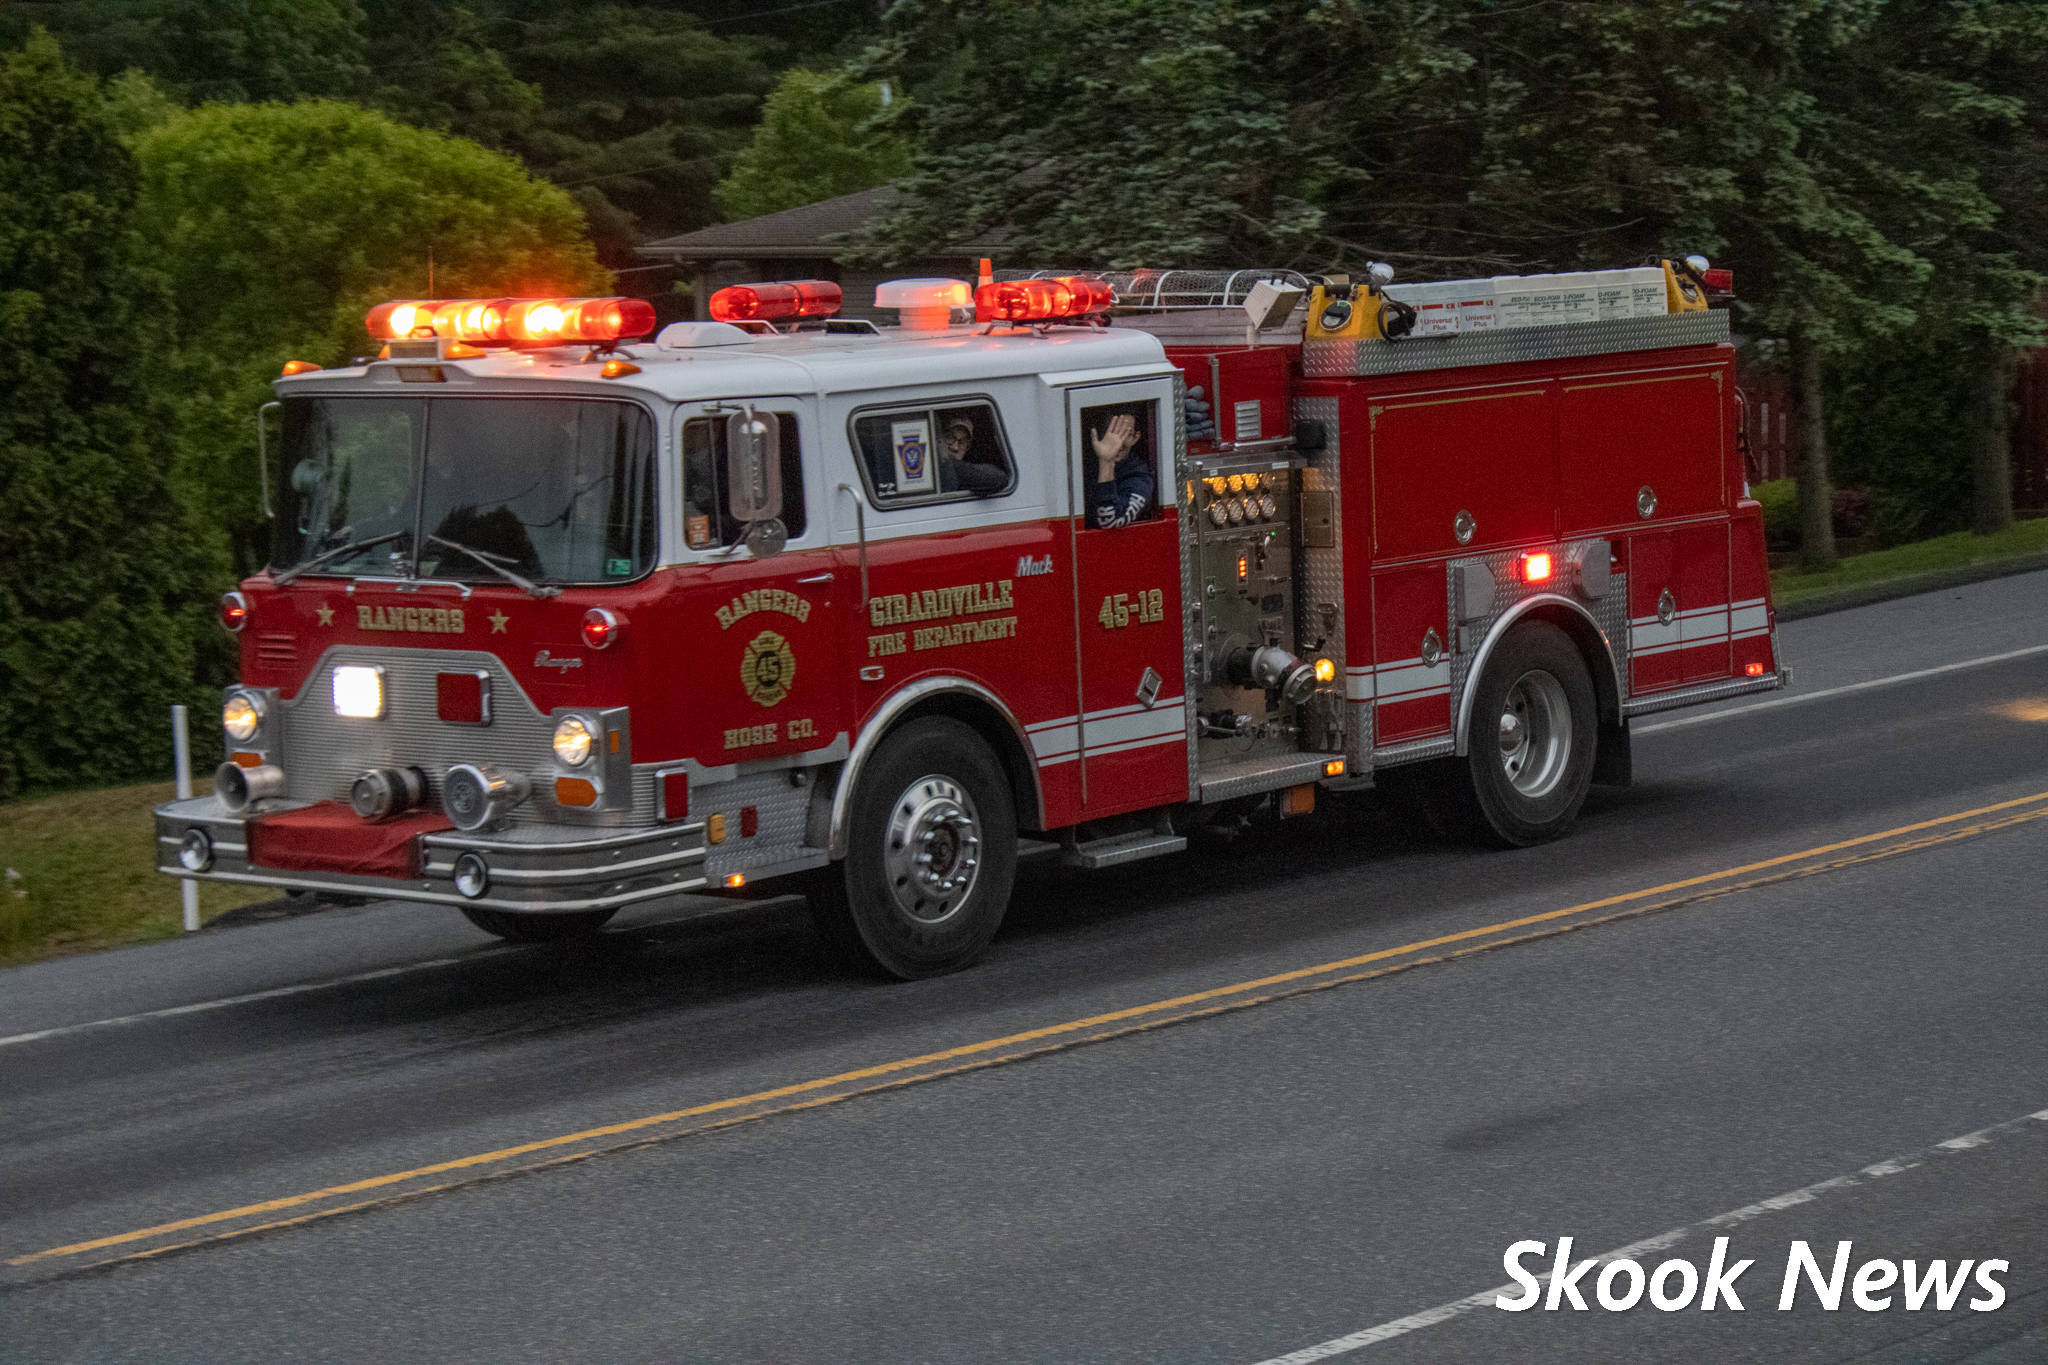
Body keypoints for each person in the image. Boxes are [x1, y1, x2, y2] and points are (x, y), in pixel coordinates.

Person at [1086, 411, 1152, 527]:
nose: (1118, 442)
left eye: (1126, 433)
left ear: (1136, 438)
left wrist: (1106, 462)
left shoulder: (1139, 476)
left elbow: (1110, 522)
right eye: (1112, 432)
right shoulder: (1084, 465)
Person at [937, 414, 1007, 495]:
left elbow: (998, 479)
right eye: (950, 437)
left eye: (962, 442)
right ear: (939, 440)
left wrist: (951, 464)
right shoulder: (929, 467)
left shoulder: (966, 473)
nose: (955, 447)